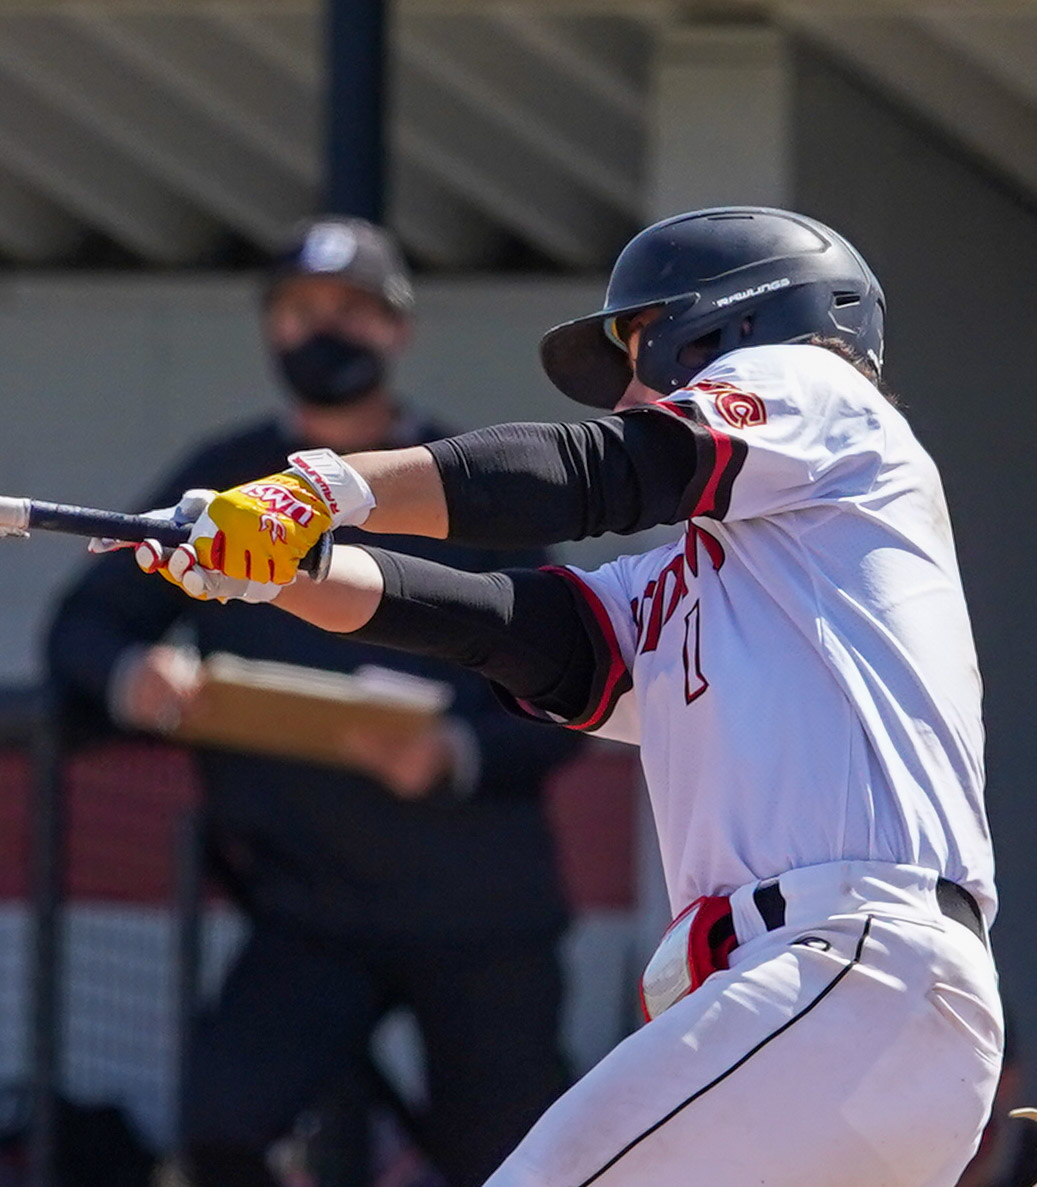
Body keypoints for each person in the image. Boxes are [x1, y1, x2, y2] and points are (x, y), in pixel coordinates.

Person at [131, 205, 1001, 1187]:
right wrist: (277, 571)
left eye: (642, 348)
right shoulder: (726, 576)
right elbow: (511, 625)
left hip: (846, 967)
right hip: (837, 1017)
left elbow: (603, 469)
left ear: (733, 327)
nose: (626, 392)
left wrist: (322, 489)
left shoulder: (817, 389)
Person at [45, 216, 581, 1187]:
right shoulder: (228, 482)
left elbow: (567, 674)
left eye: (351, 309)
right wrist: (137, 678)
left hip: (476, 912)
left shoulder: (462, 484)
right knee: (222, 1125)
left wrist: (453, 752)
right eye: (298, 310)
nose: (323, 331)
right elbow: (83, 626)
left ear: (397, 329)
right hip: (305, 910)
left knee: (511, 1159)